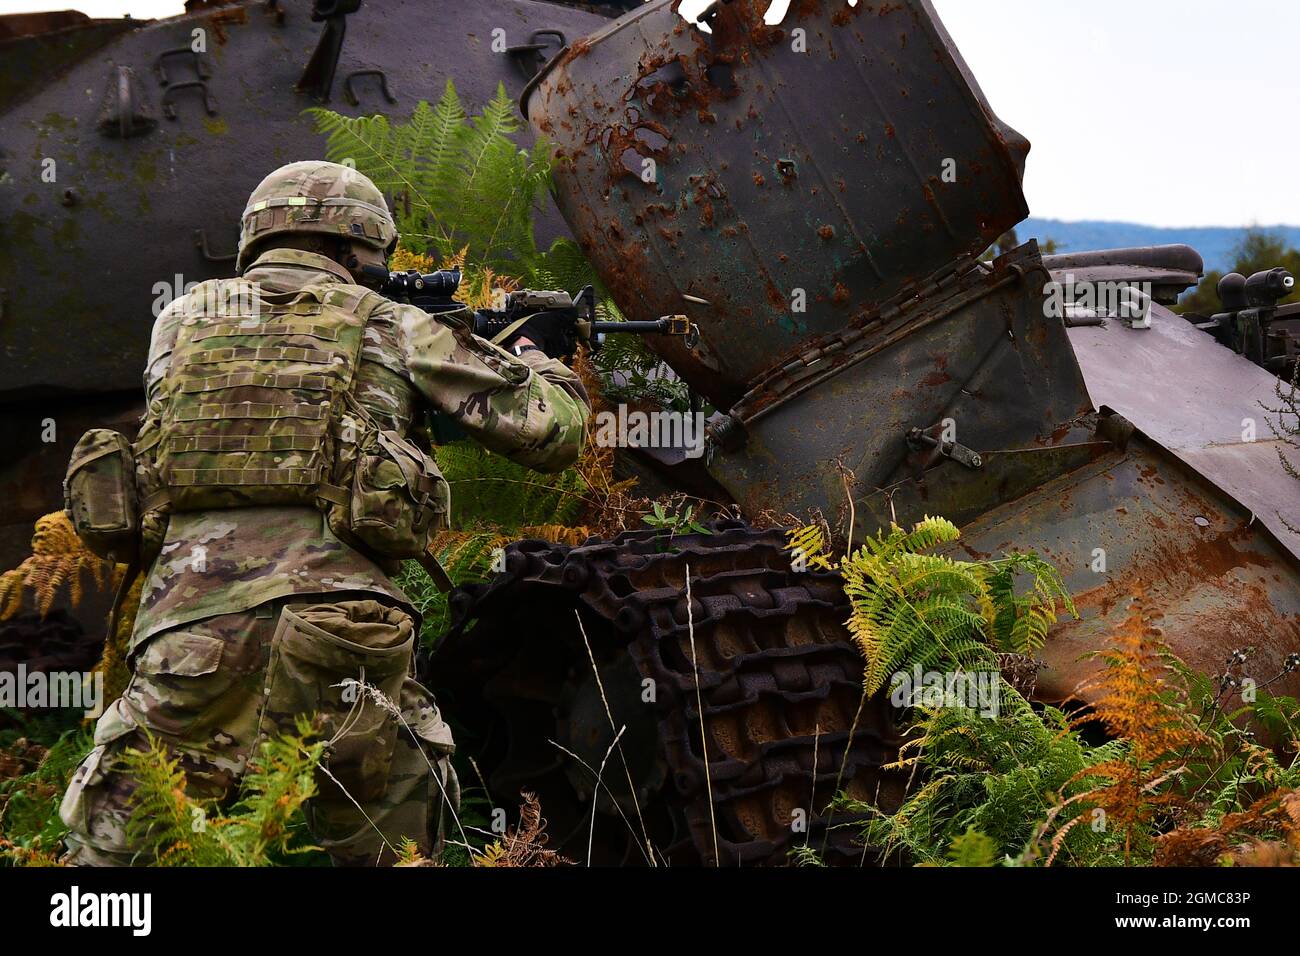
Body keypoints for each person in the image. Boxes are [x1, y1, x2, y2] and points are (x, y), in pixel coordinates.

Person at [60, 160, 590, 865]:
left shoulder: (179, 322)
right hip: (344, 625)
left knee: (120, 855)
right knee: (390, 851)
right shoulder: (393, 323)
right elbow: (551, 433)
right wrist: (536, 353)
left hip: (187, 625)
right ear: (356, 250)